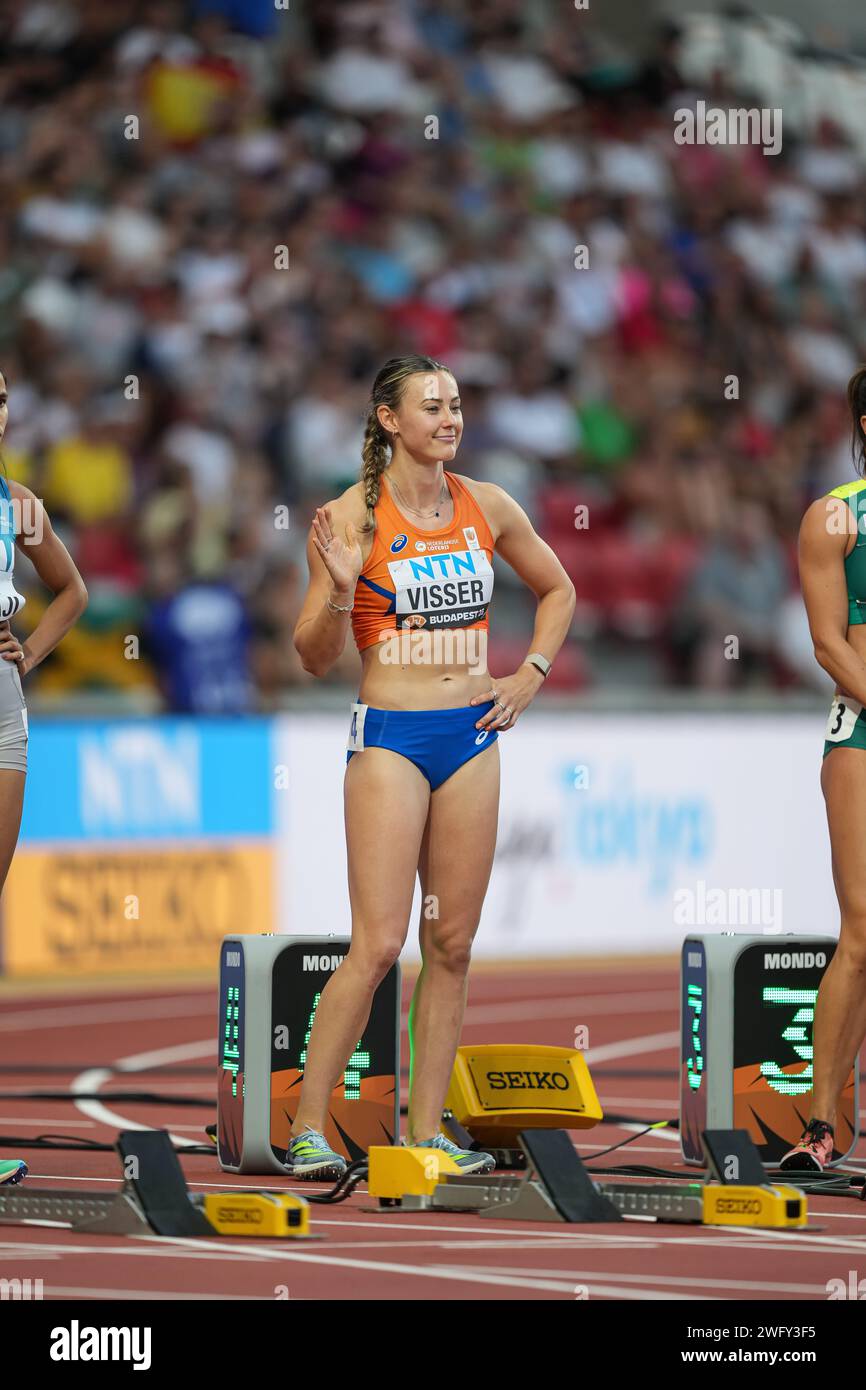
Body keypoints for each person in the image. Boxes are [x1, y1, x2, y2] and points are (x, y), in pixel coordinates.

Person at [289, 354, 576, 1178]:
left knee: (451, 942)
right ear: (389, 420)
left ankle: (423, 1134)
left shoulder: (487, 503)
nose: (450, 419)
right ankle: (309, 1128)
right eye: (432, 407)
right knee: (378, 944)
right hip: (391, 739)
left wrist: (530, 673)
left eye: (456, 405)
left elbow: (558, 591)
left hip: (473, 736)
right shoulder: (349, 518)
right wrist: (342, 591)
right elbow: (312, 657)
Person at [790, 362, 866, 1170]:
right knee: (864, 928)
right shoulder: (835, 519)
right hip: (862, 736)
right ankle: (819, 1124)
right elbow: (827, 642)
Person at [0, 368, 88, 899]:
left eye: (3, 399)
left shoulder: (17, 503)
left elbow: (73, 590)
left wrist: (27, 654)